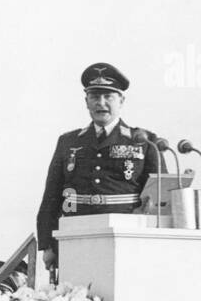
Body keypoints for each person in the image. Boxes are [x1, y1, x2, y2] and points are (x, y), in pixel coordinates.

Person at [36, 63, 162, 271]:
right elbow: (52, 195)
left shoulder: (144, 142)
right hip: (76, 235)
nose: (101, 103)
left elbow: (160, 200)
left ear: (121, 100)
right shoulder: (68, 142)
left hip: (125, 239)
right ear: (86, 102)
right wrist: (47, 244)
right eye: (95, 97)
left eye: (108, 97)